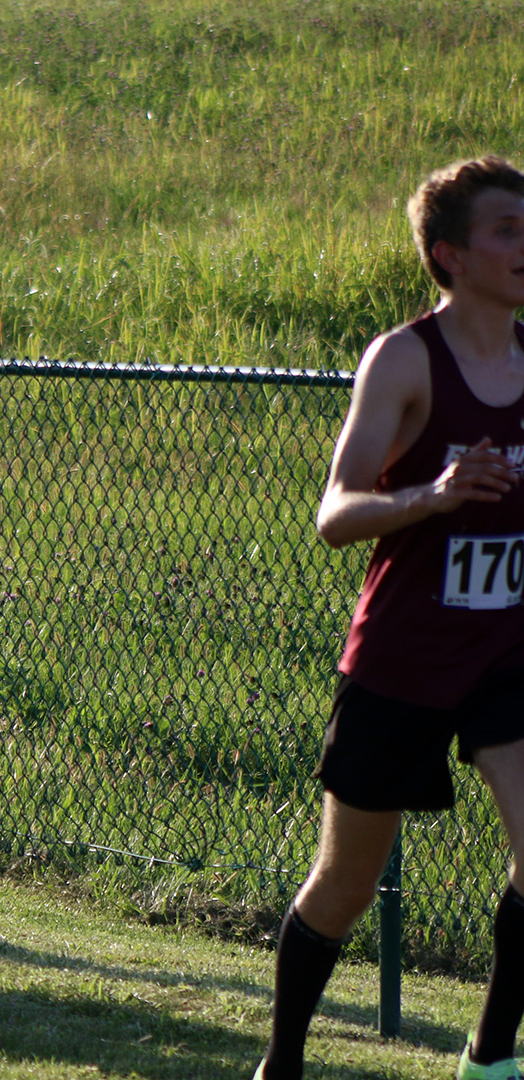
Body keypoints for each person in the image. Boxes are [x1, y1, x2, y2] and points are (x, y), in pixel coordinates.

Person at [257, 156, 524, 1080]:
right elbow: (335, 513)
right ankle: (280, 1064)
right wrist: (435, 495)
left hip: (507, 657)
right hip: (404, 661)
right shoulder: (405, 358)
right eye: (506, 231)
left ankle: (491, 1059)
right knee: (346, 887)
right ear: (449, 255)